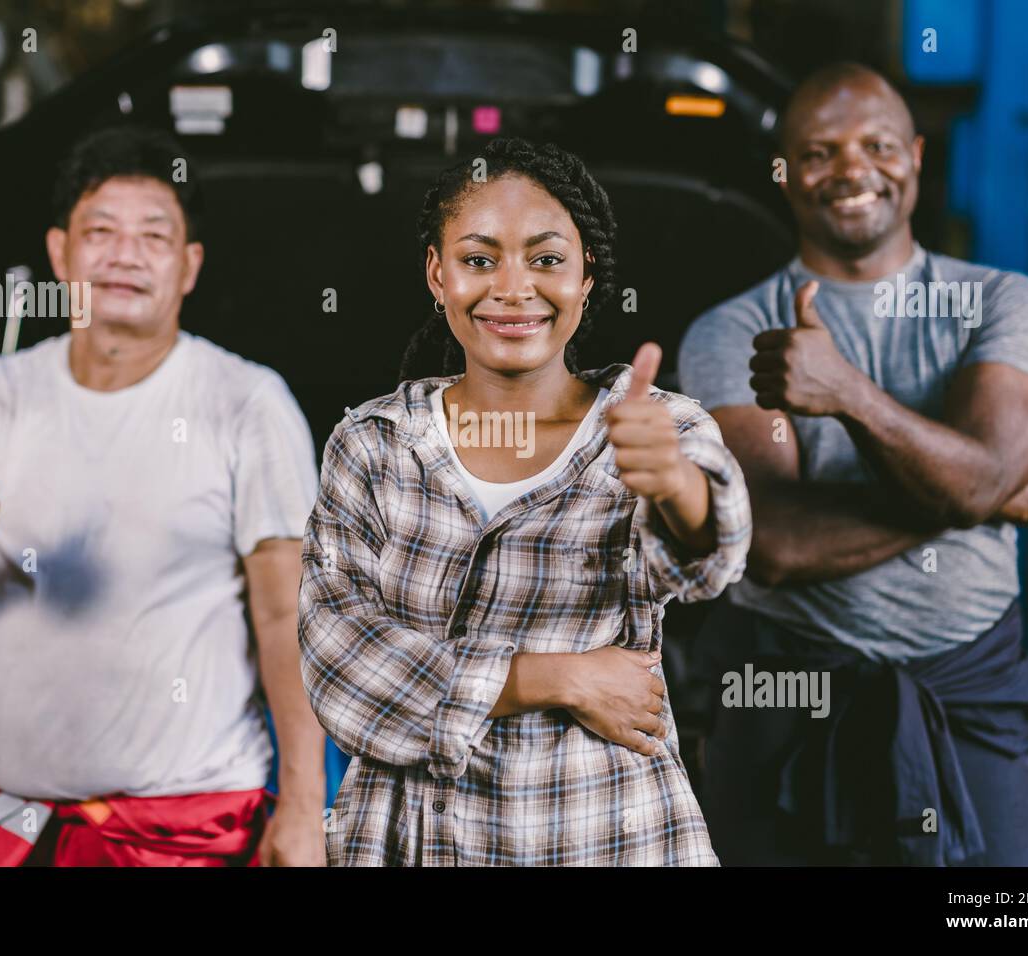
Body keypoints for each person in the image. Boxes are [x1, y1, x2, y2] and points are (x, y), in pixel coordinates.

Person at [0, 126, 327, 866]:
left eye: (154, 235)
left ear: (189, 267)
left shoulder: (247, 402)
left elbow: (288, 616)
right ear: (60, 253)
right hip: (8, 826)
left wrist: (306, 809)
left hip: (184, 833)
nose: (124, 254)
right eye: (100, 231)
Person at [299, 137, 752, 866]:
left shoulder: (650, 426)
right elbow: (342, 665)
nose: (514, 288)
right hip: (409, 839)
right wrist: (561, 678)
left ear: (586, 276)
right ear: (436, 275)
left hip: (604, 834)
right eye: (480, 260)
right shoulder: (373, 445)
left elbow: (710, 556)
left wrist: (670, 479)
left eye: (546, 260)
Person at [679, 62, 1028, 866]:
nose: (853, 170)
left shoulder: (1004, 301)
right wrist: (979, 493)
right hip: (786, 689)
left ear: (916, 157)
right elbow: (772, 545)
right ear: (784, 172)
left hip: (969, 694)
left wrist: (848, 394)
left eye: (878, 145)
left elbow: (986, 474)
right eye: (820, 152)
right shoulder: (730, 331)